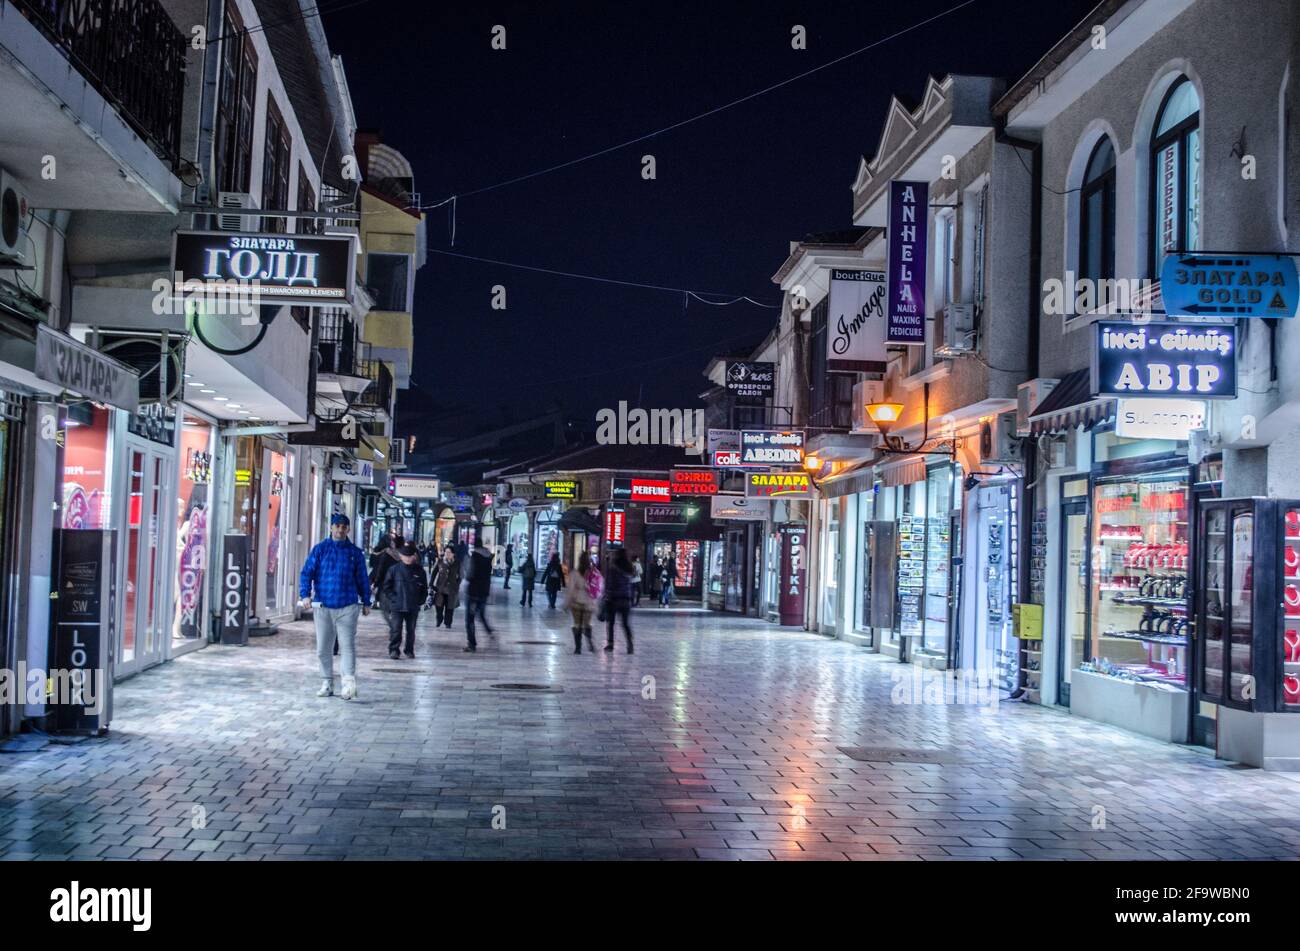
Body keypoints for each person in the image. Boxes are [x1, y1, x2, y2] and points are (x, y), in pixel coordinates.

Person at [299, 514, 371, 700]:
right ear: (331, 527)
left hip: (348, 606)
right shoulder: (320, 550)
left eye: (344, 527)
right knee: (323, 647)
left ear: (348, 529)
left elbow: (363, 578)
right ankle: (327, 682)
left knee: (347, 646)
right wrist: (305, 594)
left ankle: (348, 683)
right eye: (337, 526)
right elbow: (307, 572)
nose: (340, 529)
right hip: (323, 606)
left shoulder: (355, 553)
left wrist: (366, 601)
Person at [380, 542, 427, 659]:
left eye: (410, 555)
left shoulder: (420, 571)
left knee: (411, 631)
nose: (408, 558)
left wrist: (420, 600)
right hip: (397, 605)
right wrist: (393, 598)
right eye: (405, 556)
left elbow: (424, 588)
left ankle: (409, 650)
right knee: (396, 629)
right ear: (401, 556)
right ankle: (394, 650)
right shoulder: (394, 570)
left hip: (413, 605)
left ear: (414, 556)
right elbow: (386, 586)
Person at [564, 551, 600, 653]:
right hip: (589, 603)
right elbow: (598, 589)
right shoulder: (594, 573)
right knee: (587, 624)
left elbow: (570, 591)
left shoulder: (575, 573)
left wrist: (566, 604)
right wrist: (596, 605)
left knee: (577, 624)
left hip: (576, 603)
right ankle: (590, 643)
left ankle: (578, 648)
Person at [463, 539, 495, 652]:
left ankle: (472, 644)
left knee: (469, 619)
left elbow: (469, 574)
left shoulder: (475, 557)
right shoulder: (488, 557)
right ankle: (490, 631)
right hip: (484, 591)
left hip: (473, 592)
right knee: (481, 614)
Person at [603, 549, 635, 653]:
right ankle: (630, 644)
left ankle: (610, 644)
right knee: (625, 623)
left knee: (611, 623)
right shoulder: (629, 568)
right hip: (626, 599)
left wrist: (606, 595)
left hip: (614, 599)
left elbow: (609, 584)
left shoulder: (613, 568)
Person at [429, 546, 461, 628]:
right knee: (438, 606)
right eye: (446, 552)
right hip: (440, 588)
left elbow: (461, 575)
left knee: (449, 608)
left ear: (453, 554)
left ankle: (448, 622)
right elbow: (434, 573)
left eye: (449, 552)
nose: (447, 554)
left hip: (452, 589)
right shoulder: (440, 561)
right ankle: (439, 619)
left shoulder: (457, 563)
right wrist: (431, 584)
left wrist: (457, 584)